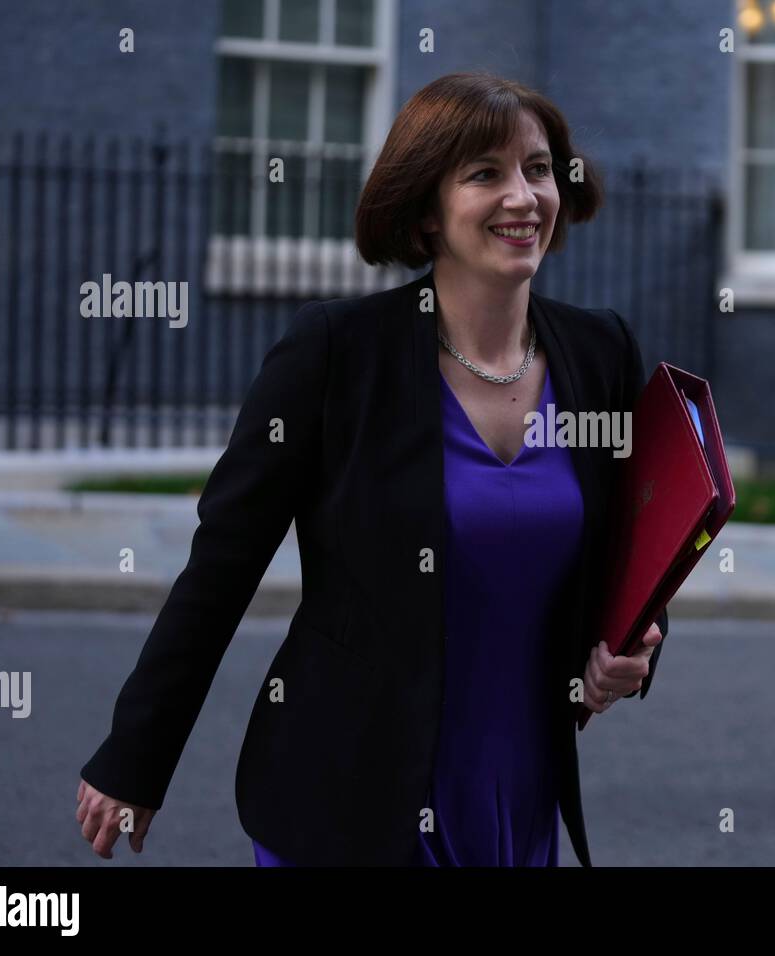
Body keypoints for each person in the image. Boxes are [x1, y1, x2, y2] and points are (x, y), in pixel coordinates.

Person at [76, 72, 669, 866]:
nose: (524, 196)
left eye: (537, 167)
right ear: (426, 209)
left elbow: (643, 555)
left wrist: (631, 647)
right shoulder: (334, 353)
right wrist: (134, 760)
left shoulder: (602, 355)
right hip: (345, 797)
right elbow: (220, 568)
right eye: (485, 174)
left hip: (515, 793)